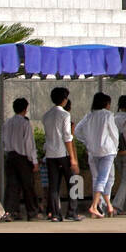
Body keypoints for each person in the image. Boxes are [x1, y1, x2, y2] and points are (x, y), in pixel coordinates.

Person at [74, 92, 119, 218]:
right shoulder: (108, 115)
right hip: (107, 151)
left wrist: (87, 141)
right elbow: (114, 134)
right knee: (105, 179)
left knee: (99, 178)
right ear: (106, 104)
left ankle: (107, 205)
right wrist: (115, 148)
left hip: (93, 151)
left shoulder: (89, 116)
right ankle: (95, 206)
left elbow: (77, 131)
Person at [41, 87, 81, 222]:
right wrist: (73, 159)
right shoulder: (65, 115)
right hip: (63, 153)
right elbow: (67, 137)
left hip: (50, 154)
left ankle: (56, 214)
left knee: (54, 185)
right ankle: (72, 211)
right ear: (64, 100)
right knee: (74, 181)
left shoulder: (46, 115)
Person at [0, 97, 40, 221]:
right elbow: (29, 144)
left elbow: (3, 141)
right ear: (25, 109)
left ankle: (11, 212)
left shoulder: (7, 122)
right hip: (22, 157)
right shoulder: (24, 123)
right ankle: (32, 212)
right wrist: (34, 160)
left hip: (10, 156)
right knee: (28, 185)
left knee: (12, 185)